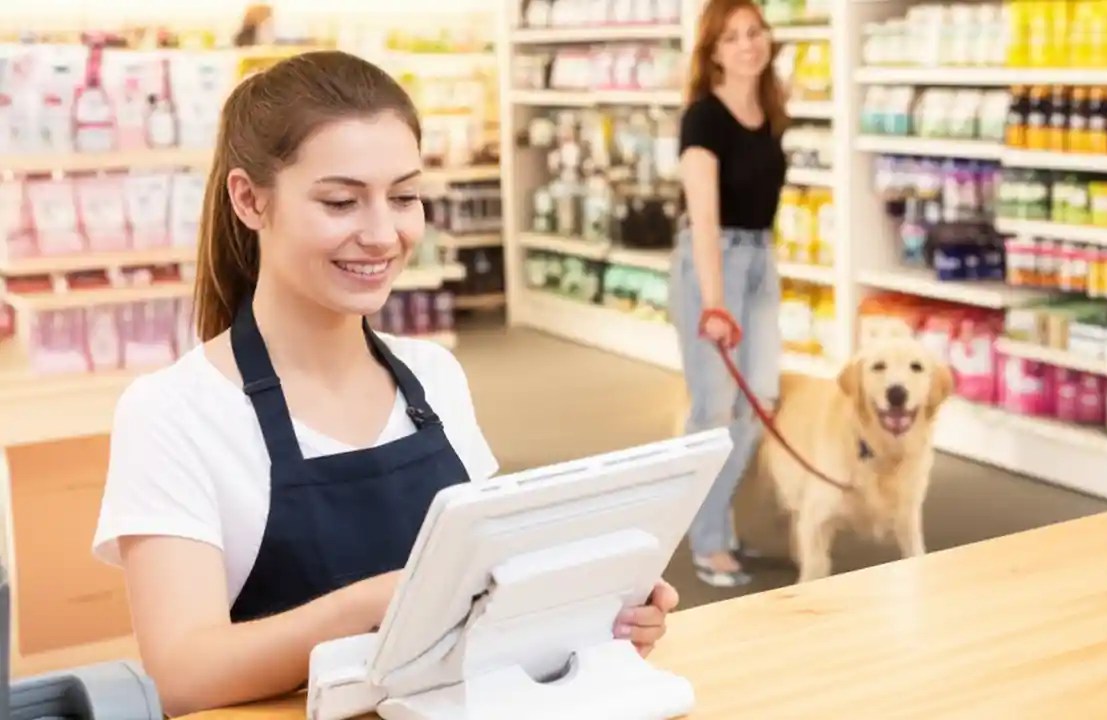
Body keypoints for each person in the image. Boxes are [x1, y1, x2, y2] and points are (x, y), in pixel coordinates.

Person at [91, 50, 677, 718]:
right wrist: (377, 606)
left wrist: (584, 620)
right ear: (249, 200)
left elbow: (486, 608)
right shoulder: (174, 413)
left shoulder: (435, 378)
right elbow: (182, 674)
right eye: (341, 201)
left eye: (403, 197)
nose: (381, 234)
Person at [670, 0, 789, 588]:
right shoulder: (703, 119)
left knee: (760, 396)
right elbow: (705, 218)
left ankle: (711, 520)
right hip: (711, 263)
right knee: (713, 408)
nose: (748, 44)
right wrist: (716, 304)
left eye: (755, 32)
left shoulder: (768, 109)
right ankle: (708, 539)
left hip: (761, 260)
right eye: (733, 37)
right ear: (713, 51)